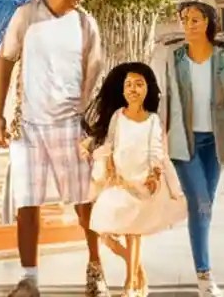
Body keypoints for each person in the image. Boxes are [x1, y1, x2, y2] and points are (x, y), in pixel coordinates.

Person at [0, 0, 108, 297]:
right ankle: (29, 280)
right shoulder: (26, 15)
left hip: (70, 126)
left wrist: (88, 123)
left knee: (85, 201)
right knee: (27, 204)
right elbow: (5, 62)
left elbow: (95, 74)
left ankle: (96, 269)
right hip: (28, 127)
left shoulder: (86, 24)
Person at [84, 61, 187, 297]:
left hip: (141, 181)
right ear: (122, 91)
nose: (133, 89)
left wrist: (154, 174)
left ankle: (130, 285)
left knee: (134, 232)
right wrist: (95, 153)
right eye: (128, 85)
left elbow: (156, 150)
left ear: (147, 89)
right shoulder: (118, 116)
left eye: (139, 84)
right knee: (103, 230)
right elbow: (110, 143)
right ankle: (138, 269)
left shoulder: (152, 120)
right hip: (119, 182)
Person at [159, 1, 224, 297]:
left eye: (195, 19)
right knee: (201, 203)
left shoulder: (223, 55)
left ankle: (203, 271)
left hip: (215, 142)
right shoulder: (175, 57)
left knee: (206, 205)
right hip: (185, 142)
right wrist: (161, 140)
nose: (189, 24)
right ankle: (204, 275)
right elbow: (167, 99)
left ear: (207, 22)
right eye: (185, 19)